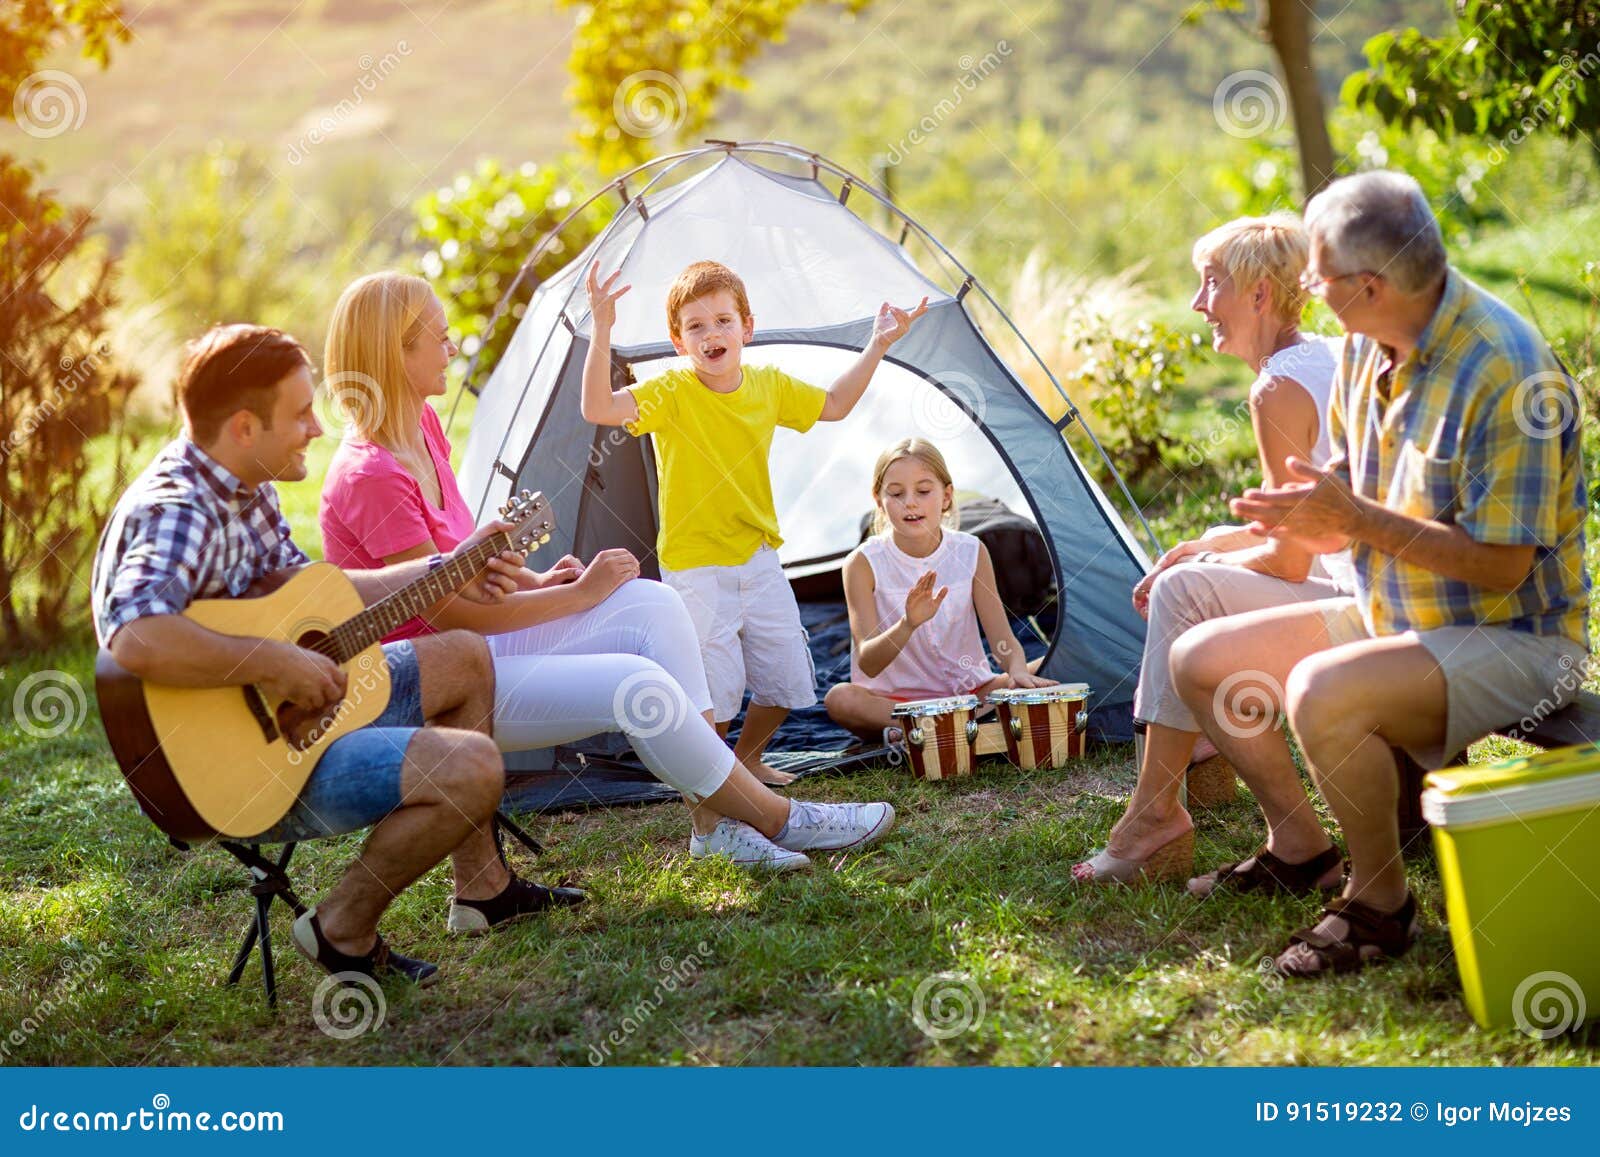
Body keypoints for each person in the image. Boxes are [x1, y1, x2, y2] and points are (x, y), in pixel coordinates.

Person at [318, 272, 897, 873]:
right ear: (395, 353)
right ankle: (776, 817)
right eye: (439, 338)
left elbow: (459, 577)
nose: (453, 348)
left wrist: (541, 583)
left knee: (655, 603)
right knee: (637, 685)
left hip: (483, 644)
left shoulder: (425, 430)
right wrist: (579, 597)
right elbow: (445, 616)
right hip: (430, 683)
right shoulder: (371, 475)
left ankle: (716, 824)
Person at [1171, 171, 1588, 976]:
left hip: (1517, 638)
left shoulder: (1505, 370)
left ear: (1370, 284)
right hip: (1396, 614)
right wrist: (1305, 513)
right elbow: (1355, 490)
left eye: (1318, 279)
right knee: (1203, 659)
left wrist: (1355, 522)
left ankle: (1379, 903)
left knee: (1324, 690)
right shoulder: (1366, 342)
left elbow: (1503, 566)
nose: (1307, 291)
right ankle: (1300, 847)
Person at [90, 324, 561, 986]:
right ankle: (342, 926)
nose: (318, 426)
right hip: (240, 768)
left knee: (463, 656)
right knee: (473, 766)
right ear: (247, 426)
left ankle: (481, 889)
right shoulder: (180, 507)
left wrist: (451, 565)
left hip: (291, 714)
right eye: (301, 412)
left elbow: (323, 597)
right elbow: (136, 637)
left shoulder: (246, 484)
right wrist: (270, 663)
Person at [1073, 213, 1354, 884]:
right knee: (1187, 579)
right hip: (1367, 581)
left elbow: (1290, 560)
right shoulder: (1325, 356)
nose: (1201, 304)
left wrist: (1208, 564)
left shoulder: (1278, 388)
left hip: (1362, 602)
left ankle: (1166, 815)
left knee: (1181, 591)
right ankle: (1177, 790)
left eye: (1211, 284)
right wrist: (1213, 542)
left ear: (1259, 294)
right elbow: (1311, 520)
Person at [581, 259, 928, 781]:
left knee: (787, 678)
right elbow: (598, 408)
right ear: (679, 341)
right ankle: (716, 782)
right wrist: (602, 327)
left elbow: (834, 404)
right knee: (714, 692)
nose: (711, 334)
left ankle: (746, 762)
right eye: (696, 326)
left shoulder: (766, 385)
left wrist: (877, 344)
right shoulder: (670, 393)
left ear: (747, 327)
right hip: (697, 567)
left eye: (723, 321)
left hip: (759, 558)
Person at [822, 438, 1052, 742]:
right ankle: (941, 727)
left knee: (1055, 659)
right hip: (898, 706)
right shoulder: (862, 563)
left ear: (946, 497)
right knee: (840, 700)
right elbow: (868, 661)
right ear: (879, 500)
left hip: (971, 693)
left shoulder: (972, 551)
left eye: (923, 491)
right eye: (896, 493)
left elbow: (1002, 639)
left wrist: (1017, 668)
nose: (910, 502)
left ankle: (929, 733)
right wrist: (908, 624)